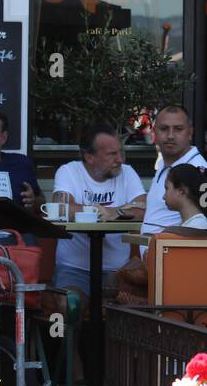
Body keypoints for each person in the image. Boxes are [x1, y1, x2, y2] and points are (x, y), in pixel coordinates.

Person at [51, 124, 146, 300]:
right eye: (112, 154)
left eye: (121, 152)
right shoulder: (69, 171)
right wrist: (102, 211)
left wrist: (113, 212)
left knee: (127, 308)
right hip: (74, 267)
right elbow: (62, 208)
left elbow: (142, 209)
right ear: (89, 157)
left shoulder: (127, 173)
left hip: (116, 270)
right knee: (69, 305)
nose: (120, 160)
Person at [142, 105, 207, 234]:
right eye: (164, 128)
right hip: (157, 251)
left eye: (178, 129)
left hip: (175, 251)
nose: (170, 135)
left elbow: (205, 223)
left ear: (190, 133)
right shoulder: (163, 162)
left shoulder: (199, 169)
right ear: (154, 131)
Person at [163, 163, 207, 229]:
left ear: (181, 190)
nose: (163, 197)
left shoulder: (197, 226)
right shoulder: (193, 224)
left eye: (167, 188)